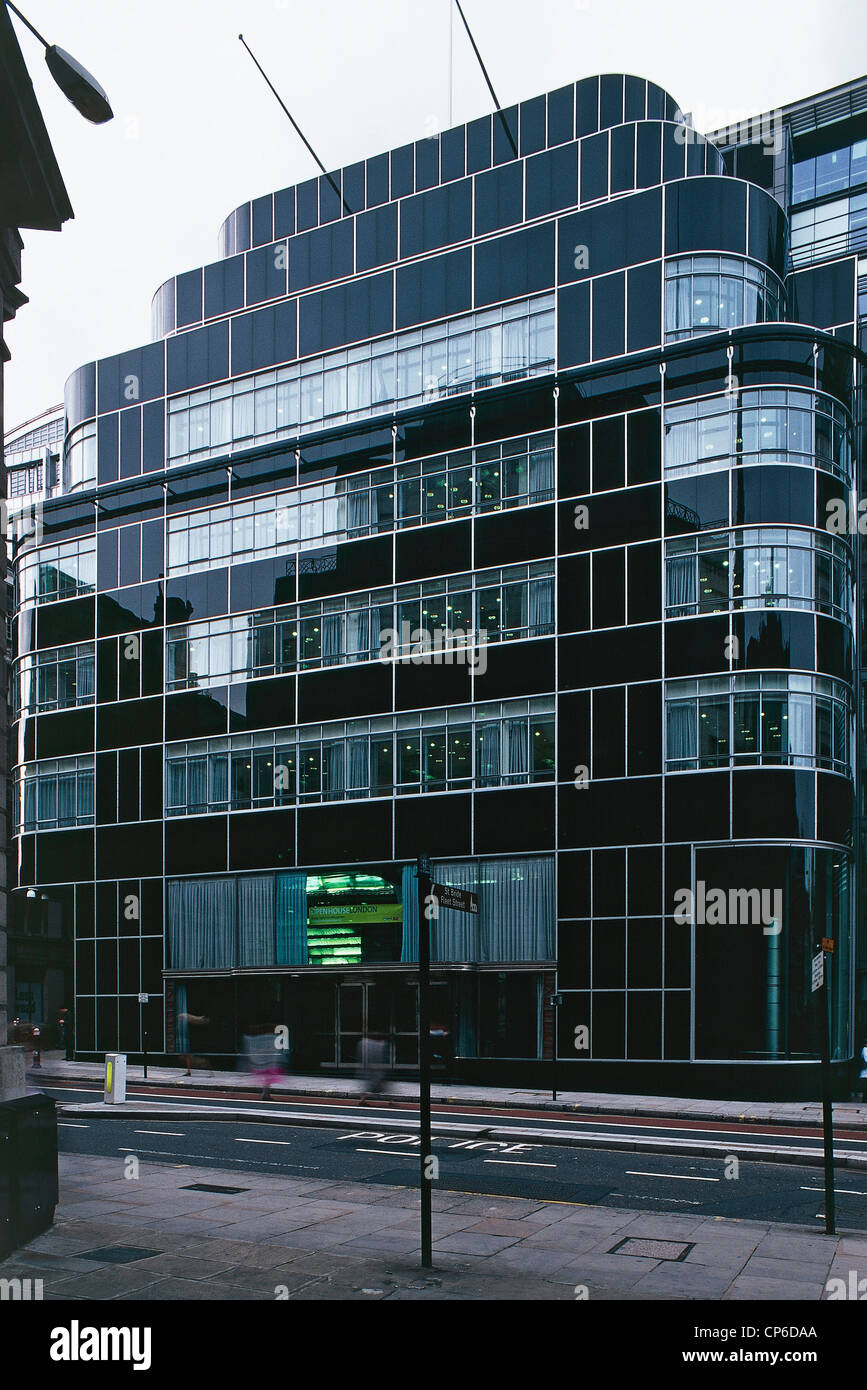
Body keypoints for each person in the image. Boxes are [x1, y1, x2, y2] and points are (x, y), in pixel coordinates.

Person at [355, 1031, 389, 1104]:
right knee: (380, 1086)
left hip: (369, 1069)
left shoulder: (363, 1043)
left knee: (371, 1086)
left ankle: (362, 1100)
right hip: (374, 1070)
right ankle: (390, 1100)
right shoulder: (379, 1044)